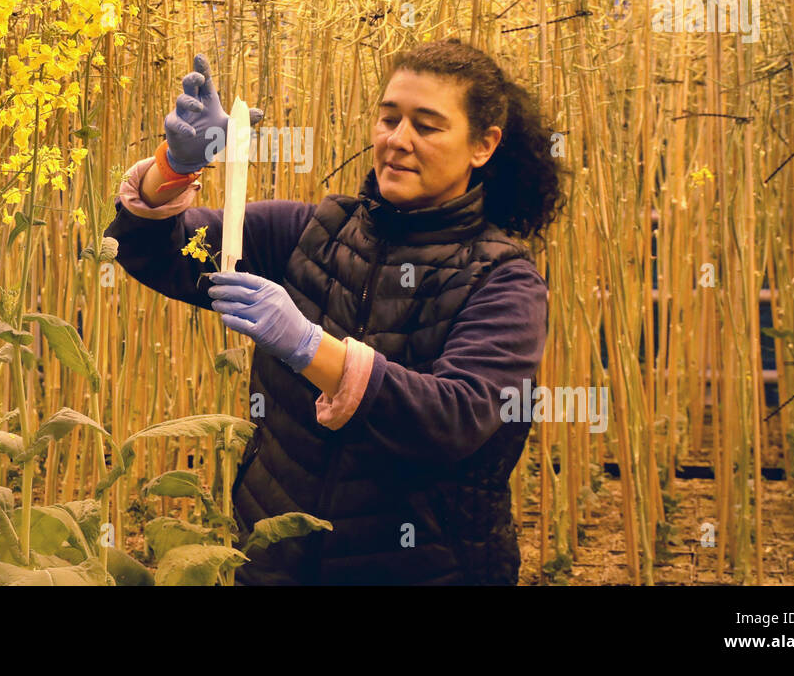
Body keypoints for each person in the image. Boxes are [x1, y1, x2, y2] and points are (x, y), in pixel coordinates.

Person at [103, 38, 565, 584]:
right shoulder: (310, 232)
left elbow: (455, 418)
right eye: (389, 119)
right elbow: (164, 253)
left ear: (483, 145)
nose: (398, 140)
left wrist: (309, 347)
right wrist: (173, 169)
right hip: (276, 558)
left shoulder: (502, 280)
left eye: (427, 125)